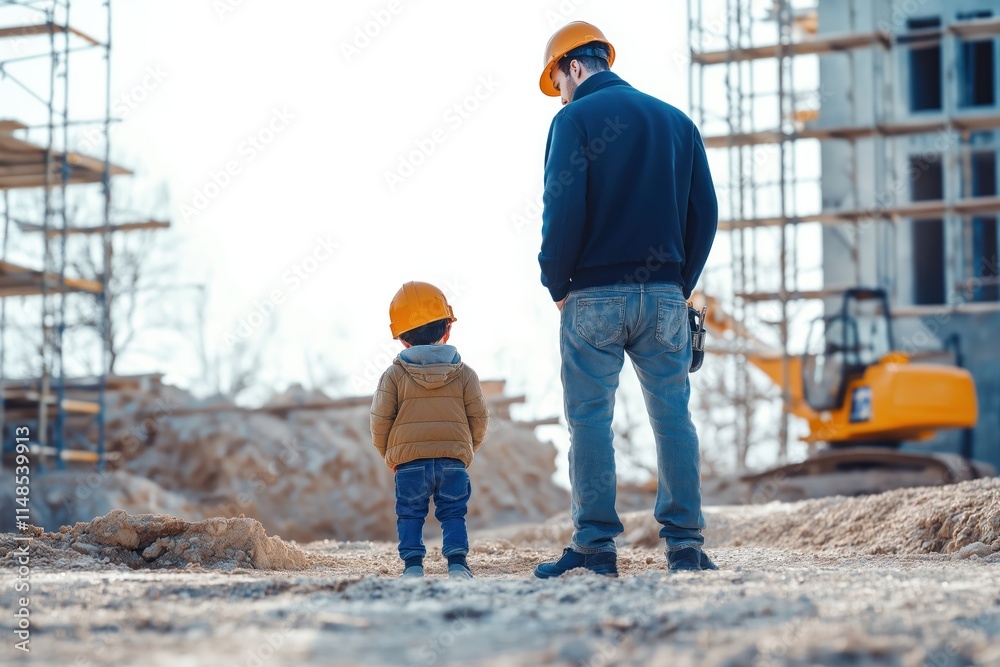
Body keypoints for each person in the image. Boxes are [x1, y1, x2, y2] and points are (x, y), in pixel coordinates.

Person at [533, 22, 719, 578]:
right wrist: (679, 283)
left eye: (557, 82)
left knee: (590, 421)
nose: (560, 95)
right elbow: (705, 213)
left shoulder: (573, 120)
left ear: (573, 67)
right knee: (674, 418)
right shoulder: (676, 121)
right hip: (664, 295)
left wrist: (556, 283)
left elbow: (563, 208)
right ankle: (685, 547)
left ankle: (595, 548)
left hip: (593, 296)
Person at [370, 281, 490, 579]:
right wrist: (465, 450)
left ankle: (412, 567)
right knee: (453, 512)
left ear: (402, 339)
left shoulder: (393, 375)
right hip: (452, 461)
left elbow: (380, 420)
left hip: (409, 462)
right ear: (447, 328)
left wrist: (390, 456)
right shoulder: (465, 374)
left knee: (409, 513)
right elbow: (479, 418)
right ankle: (458, 565)